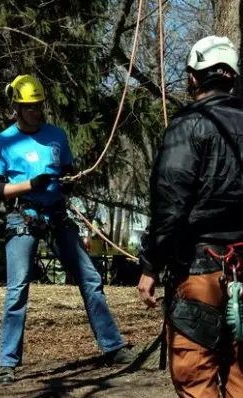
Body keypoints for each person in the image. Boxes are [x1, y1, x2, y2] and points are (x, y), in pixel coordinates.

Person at [0, 74, 133, 386]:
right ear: (16, 107)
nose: (35, 112)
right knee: (17, 289)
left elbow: (65, 169)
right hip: (23, 217)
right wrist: (29, 184)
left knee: (90, 279)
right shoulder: (3, 142)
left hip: (56, 214)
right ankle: (7, 363)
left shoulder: (57, 136)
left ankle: (113, 346)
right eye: (28, 107)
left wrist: (69, 177)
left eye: (38, 106)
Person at [137, 36, 243, 397]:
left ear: (194, 78)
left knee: (196, 376)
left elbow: (171, 206)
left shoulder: (187, 126)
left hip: (201, 270)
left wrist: (151, 265)